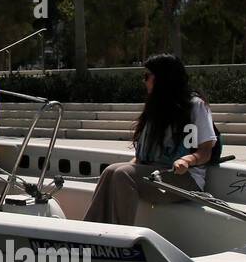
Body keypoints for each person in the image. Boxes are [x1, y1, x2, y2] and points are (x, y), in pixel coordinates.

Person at [84, 53, 217, 226]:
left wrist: (187, 160)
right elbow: (142, 157)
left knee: (123, 175)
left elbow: (205, 150)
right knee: (111, 171)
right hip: (155, 173)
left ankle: (121, 237)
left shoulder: (195, 106)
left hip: (184, 179)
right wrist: (129, 166)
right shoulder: (155, 108)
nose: (144, 81)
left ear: (163, 79)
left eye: (147, 76)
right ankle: (91, 228)